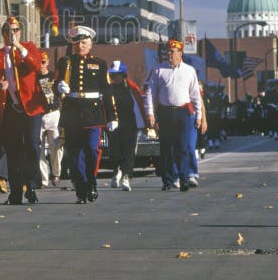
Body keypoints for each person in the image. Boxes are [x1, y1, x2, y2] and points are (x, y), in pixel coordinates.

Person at [0, 17, 46, 205]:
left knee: (32, 145)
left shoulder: (29, 48)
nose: (12, 33)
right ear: (3, 34)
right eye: (9, 30)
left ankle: (31, 187)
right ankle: (15, 191)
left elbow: (35, 65)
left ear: (20, 32)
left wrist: (19, 47)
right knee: (14, 150)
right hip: (9, 107)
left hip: (30, 107)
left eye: (16, 30)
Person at [55, 26, 117, 204]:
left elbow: (107, 92)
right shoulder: (65, 62)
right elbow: (55, 84)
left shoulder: (99, 64)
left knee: (92, 149)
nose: (80, 46)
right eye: (77, 42)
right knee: (75, 155)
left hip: (93, 113)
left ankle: (91, 181)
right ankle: (81, 188)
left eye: (83, 42)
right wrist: (59, 87)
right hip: (72, 113)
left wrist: (112, 117)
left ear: (90, 44)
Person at [145, 38, 203, 192]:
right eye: (168, 51)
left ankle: (184, 179)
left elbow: (195, 95)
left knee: (182, 147)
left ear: (180, 53)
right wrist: (150, 113)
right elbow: (150, 93)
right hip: (165, 112)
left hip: (183, 112)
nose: (169, 54)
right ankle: (168, 180)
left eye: (172, 51)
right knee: (166, 149)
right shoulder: (158, 69)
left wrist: (199, 116)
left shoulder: (189, 70)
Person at [107, 60, 146, 192]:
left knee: (129, 152)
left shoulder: (132, 88)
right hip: (113, 124)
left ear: (123, 75)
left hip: (130, 123)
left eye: (117, 74)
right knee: (115, 152)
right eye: (112, 75)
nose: (114, 77)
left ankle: (126, 176)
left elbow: (140, 105)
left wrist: (145, 124)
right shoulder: (108, 89)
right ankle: (116, 171)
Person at [37, 51, 63, 188]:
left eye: (43, 62)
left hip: (53, 113)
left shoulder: (53, 76)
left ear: (47, 62)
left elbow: (55, 94)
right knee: (39, 149)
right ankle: (43, 179)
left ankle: (56, 173)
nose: (41, 65)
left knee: (56, 146)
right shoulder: (33, 77)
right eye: (38, 62)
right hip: (39, 115)